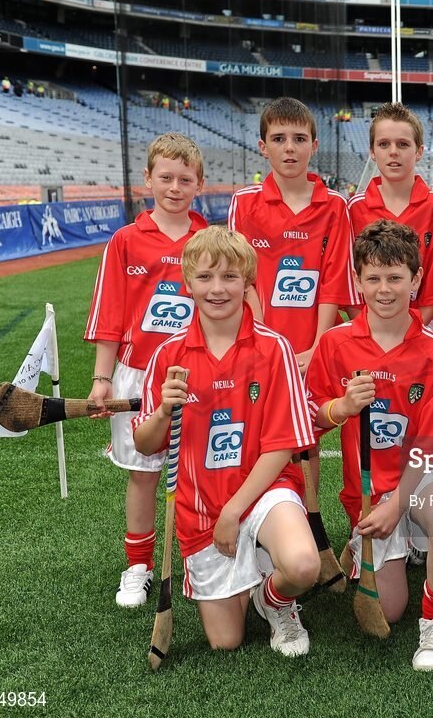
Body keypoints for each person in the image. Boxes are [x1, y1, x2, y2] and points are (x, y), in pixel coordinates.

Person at [133, 226, 318, 655]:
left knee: (304, 565)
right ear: (187, 283)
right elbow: (145, 445)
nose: (217, 289)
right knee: (225, 642)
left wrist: (235, 511)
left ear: (248, 283)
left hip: (263, 490)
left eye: (230, 277)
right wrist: (163, 411)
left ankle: (275, 600)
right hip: (200, 506)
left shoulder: (275, 349)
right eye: (205, 278)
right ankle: (254, 572)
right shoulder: (168, 355)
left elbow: (281, 446)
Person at [306, 220, 433, 671]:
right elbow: (307, 424)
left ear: (416, 280)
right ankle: (395, 545)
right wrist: (340, 407)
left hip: (420, 475)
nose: (384, 289)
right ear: (356, 281)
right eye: (373, 278)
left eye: (396, 277)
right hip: (368, 488)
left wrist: (398, 503)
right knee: (390, 610)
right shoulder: (335, 344)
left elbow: (432, 443)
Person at [85, 133, 207, 607]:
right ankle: (138, 565)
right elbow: (110, 315)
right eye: (166, 177)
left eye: (185, 179)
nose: (175, 187)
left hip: (198, 373)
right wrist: (102, 378)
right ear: (148, 179)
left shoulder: (209, 241)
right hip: (136, 374)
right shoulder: (126, 241)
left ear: (199, 184)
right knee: (143, 473)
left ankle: (201, 556)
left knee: (202, 470)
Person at [228, 96, 359, 376]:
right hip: (256, 342)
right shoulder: (244, 203)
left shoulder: (335, 206)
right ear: (263, 147)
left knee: (314, 420)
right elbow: (240, 278)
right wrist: (262, 340)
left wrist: (317, 348)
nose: (289, 148)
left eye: (299, 139)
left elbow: (333, 284)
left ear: (313, 146)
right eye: (278, 139)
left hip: (314, 347)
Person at [348, 102, 433, 342]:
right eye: (384, 144)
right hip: (367, 329)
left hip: (423, 326)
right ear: (372, 151)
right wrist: (371, 328)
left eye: (402, 144)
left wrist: (411, 327)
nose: (393, 152)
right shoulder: (355, 208)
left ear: (419, 151)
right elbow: (348, 280)